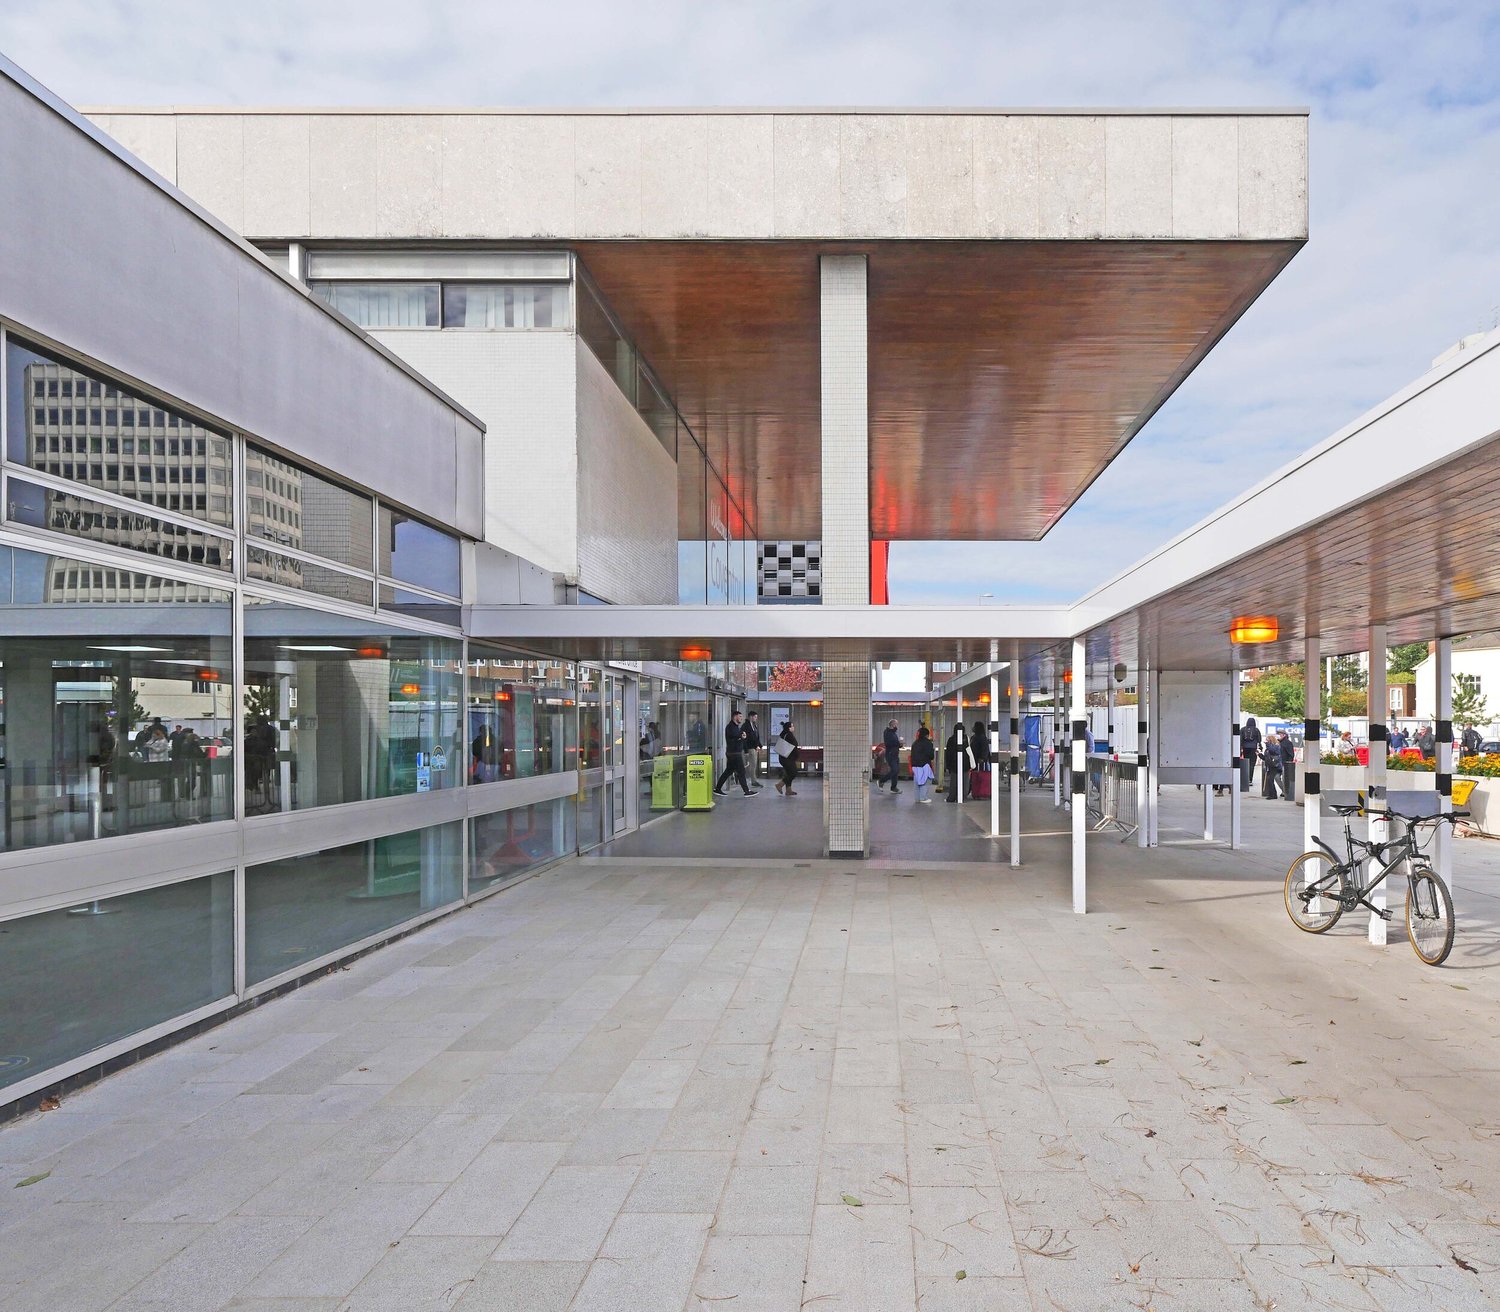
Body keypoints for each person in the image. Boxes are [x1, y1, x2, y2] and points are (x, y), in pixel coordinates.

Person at [713, 710, 757, 797]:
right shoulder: (731, 727)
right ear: (735, 717)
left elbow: (741, 736)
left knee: (728, 772)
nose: (741, 718)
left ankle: (717, 789)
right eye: (740, 716)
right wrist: (741, 736)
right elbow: (736, 735)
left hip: (734, 752)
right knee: (741, 771)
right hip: (734, 753)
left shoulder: (736, 727)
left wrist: (742, 737)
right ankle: (746, 791)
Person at [944, 725, 973, 804]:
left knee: (953, 782)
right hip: (966, 763)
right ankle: (962, 797)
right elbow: (969, 750)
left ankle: (952, 797)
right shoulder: (966, 738)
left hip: (954, 763)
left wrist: (948, 765)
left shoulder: (951, 739)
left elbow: (948, 753)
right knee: (965, 781)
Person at [910, 724, 937, 803]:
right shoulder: (928, 743)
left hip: (915, 766)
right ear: (927, 735)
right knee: (925, 781)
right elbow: (931, 756)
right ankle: (923, 798)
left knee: (917, 782)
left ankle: (917, 798)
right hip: (924, 765)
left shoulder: (915, 743)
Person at [775, 719, 800, 796]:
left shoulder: (784, 734)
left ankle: (788, 790)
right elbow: (794, 745)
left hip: (785, 757)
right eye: (792, 726)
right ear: (788, 728)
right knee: (793, 773)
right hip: (787, 758)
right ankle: (780, 785)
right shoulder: (788, 735)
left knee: (789, 773)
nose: (793, 727)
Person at [741, 711, 764, 790]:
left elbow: (756, 737)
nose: (756, 718)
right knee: (752, 764)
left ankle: (753, 780)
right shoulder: (746, 726)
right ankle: (753, 781)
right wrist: (746, 750)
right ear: (751, 716)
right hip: (750, 748)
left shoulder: (754, 725)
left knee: (754, 764)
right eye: (755, 717)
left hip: (754, 747)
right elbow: (745, 739)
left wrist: (760, 746)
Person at [878, 719, 903, 794]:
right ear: (892, 724)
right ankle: (881, 781)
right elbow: (889, 743)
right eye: (896, 724)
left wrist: (900, 744)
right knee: (894, 770)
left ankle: (893, 787)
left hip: (895, 754)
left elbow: (895, 743)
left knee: (896, 771)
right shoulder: (888, 732)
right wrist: (898, 744)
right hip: (890, 754)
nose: (896, 726)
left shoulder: (893, 733)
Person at [1239, 716, 1262, 792]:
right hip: (1253, 748)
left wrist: (1241, 748)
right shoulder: (1256, 730)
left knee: (1245, 763)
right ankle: (1250, 780)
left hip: (1245, 748)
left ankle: (1244, 778)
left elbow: (1241, 739)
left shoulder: (1243, 729)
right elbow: (1259, 740)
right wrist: (1260, 748)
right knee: (1252, 764)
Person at [1260, 731, 1281, 799]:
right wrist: (1259, 755)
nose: (1266, 741)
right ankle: (1272, 794)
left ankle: (1273, 795)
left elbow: (1273, 751)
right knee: (1270, 780)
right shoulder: (1267, 749)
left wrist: (1268, 744)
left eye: (1267, 740)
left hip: (1275, 766)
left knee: (1270, 779)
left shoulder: (1276, 747)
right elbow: (1266, 758)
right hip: (1270, 765)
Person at [1277, 730, 1296, 801]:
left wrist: (1289, 763)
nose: (1279, 735)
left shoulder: (1288, 743)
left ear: (1284, 735)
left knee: (1285, 779)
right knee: (1276, 777)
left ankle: (1285, 792)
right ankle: (1284, 790)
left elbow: (1291, 754)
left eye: (1280, 734)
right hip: (1277, 764)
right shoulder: (1277, 742)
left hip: (1284, 763)